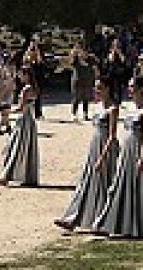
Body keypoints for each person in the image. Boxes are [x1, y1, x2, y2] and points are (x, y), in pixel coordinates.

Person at [94, 76, 143, 238]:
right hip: (127, 151)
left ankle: (141, 225)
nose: (129, 89)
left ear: (139, 89)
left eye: (132, 86)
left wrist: (142, 158)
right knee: (119, 186)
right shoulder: (131, 108)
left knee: (140, 188)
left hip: (138, 151)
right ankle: (115, 222)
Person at [56, 79, 119, 232]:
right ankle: (74, 218)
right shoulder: (97, 107)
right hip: (94, 147)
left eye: (100, 88)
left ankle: (103, 220)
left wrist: (102, 157)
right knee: (87, 182)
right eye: (96, 88)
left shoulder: (113, 108)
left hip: (106, 149)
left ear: (108, 89)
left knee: (106, 184)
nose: (96, 91)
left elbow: (112, 136)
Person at [0, 67, 39, 186]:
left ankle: (6, 176)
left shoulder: (26, 89)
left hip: (24, 120)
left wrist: (7, 112)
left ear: (27, 75)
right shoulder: (33, 88)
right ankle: (22, 175)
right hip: (30, 120)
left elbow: (21, 108)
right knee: (24, 148)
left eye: (21, 74)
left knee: (15, 148)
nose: (19, 77)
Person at [0, 52, 18, 135]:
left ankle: (1, 127)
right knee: (3, 110)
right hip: (1, 90)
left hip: (9, 90)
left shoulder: (12, 68)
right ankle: (6, 126)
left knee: (6, 109)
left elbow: (13, 77)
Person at [69, 46, 95, 121]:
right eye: (82, 52)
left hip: (87, 81)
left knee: (86, 98)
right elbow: (71, 62)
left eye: (86, 52)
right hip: (77, 81)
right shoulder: (76, 59)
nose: (84, 54)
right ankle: (74, 114)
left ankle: (85, 114)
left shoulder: (91, 59)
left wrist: (95, 79)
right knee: (76, 98)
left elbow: (95, 68)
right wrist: (73, 53)